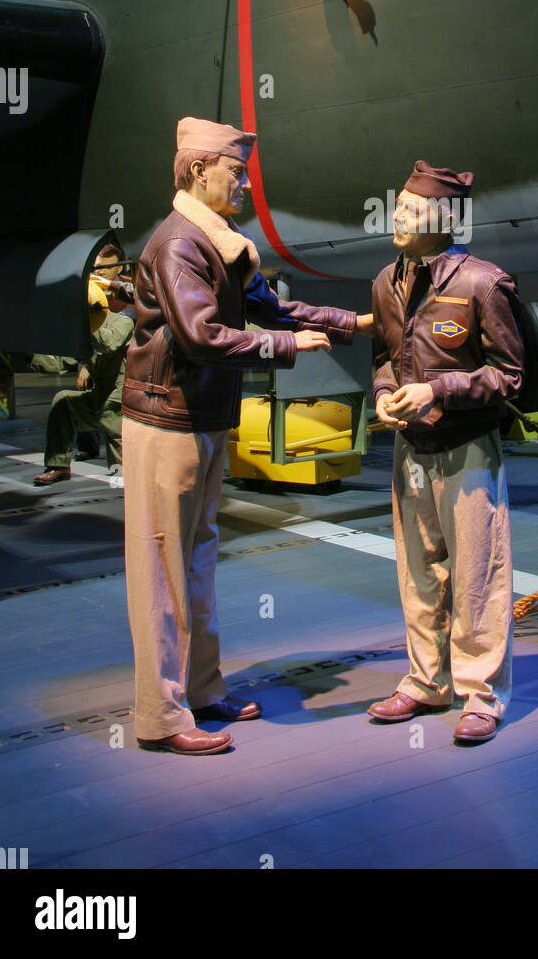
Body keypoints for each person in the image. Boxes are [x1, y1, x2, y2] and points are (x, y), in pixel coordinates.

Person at [121, 116, 374, 756]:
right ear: (198, 169)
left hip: (201, 418)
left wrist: (356, 322)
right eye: (236, 172)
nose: (244, 184)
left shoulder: (221, 242)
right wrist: (287, 348)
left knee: (197, 563)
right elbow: (201, 337)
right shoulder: (181, 245)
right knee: (162, 570)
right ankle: (159, 716)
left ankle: (201, 691)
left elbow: (275, 306)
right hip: (166, 418)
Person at [369, 161, 524, 745]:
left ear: (443, 217)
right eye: (398, 205)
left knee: (478, 572)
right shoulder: (386, 282)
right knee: (418, 572)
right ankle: (425, 680)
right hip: (411, 448)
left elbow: (509, 376)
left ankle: (482, 693)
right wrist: (386, 393)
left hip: (466, 448)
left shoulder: (482, 284)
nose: (397, 218)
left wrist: (438, 389)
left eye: (410, 210)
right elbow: (385, 356)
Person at [33, 246, 135, 486]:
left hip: (122, 401)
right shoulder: (85, 328)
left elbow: (108, 344)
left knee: (125, 477)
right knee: (63, 401)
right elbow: (60, 361)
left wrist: (90, 320)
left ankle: (124, 473)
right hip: (99, 397)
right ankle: (58, 465)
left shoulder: (123, 321)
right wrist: (32, 347)